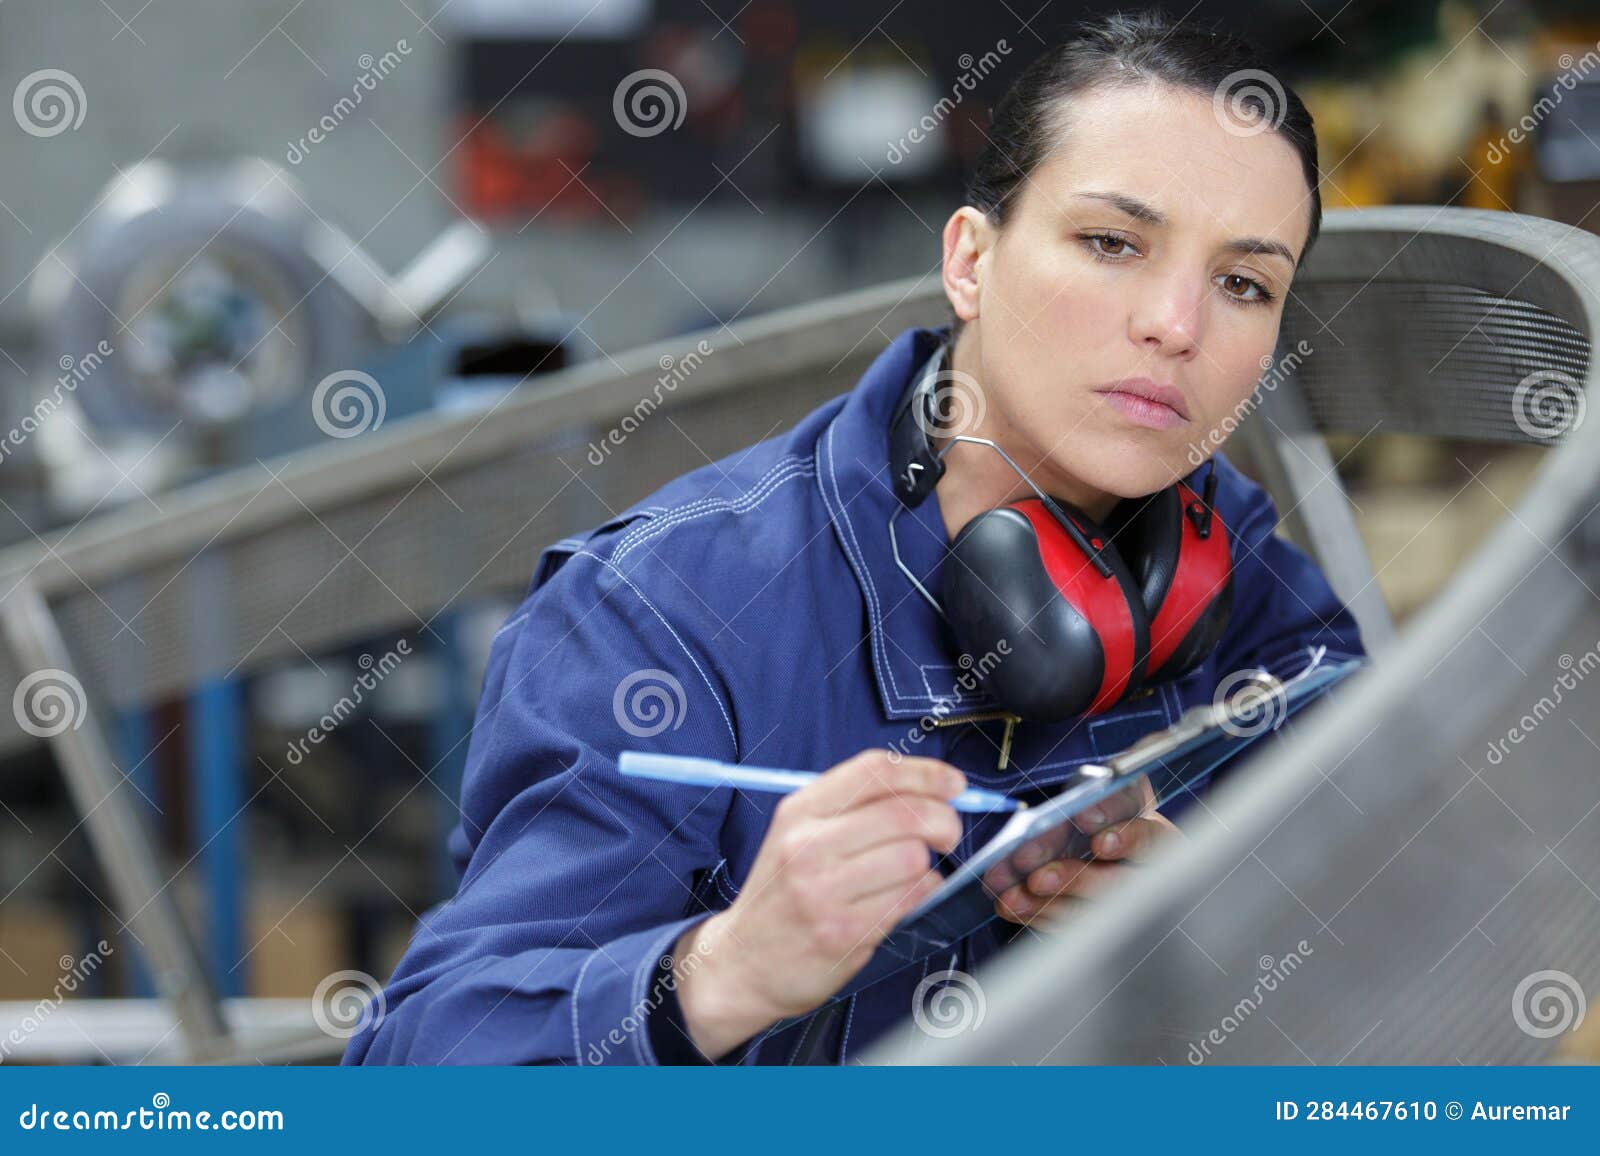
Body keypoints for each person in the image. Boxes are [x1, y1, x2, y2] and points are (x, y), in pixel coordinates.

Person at [345, 9, 1365, 1066]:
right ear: (970, 261)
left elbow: (1423, 958)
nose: (1176, 322)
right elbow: (421, 1065)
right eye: (1111, 242)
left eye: (1243, 283)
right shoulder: (659, 610)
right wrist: (721, 972)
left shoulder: (1251, 596)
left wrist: (1225, 921)